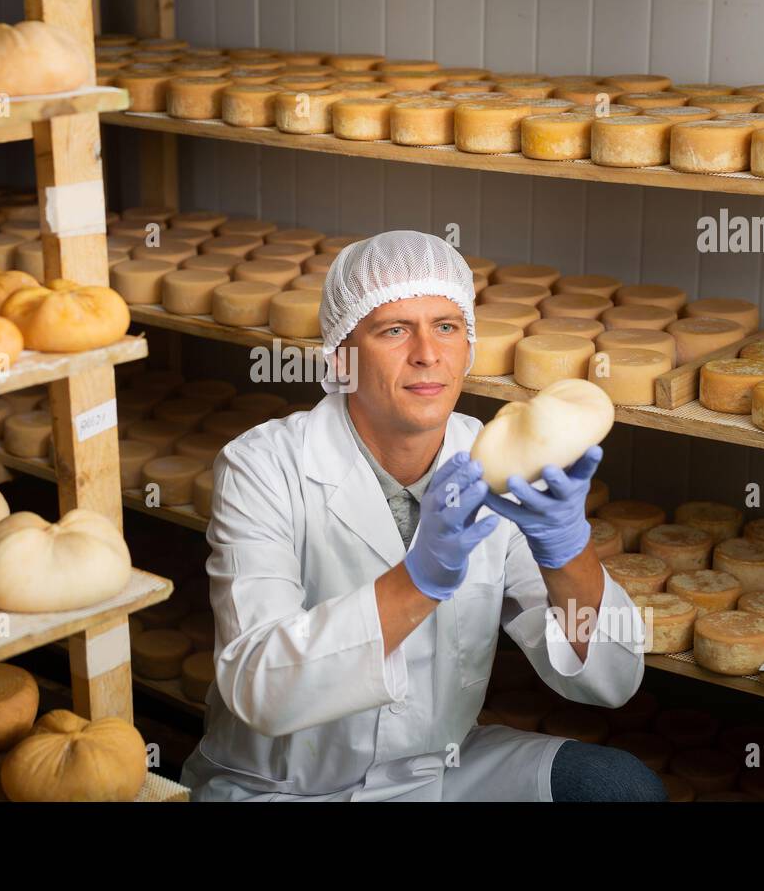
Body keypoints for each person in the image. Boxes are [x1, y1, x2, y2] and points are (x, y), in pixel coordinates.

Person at [180, 230, 664, 801]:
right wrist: (418, 581)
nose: (427, 354)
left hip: (438, 773)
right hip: (285, 787)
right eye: (393, 330)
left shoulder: (496, 459)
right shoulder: (263, 467)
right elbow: (258, 686)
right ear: (341, 356)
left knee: (617, 788)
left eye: (447, 326)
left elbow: (610, 680)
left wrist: (568, 550)